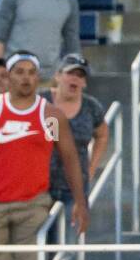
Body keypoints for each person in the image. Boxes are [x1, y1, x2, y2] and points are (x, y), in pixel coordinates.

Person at [0, 51, 88, 260]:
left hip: (32, 203)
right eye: (19, 72)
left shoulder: (50, 117)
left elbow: (69, 157)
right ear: (9, 76)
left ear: (38, 78)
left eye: (31, 73)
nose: (26, 78)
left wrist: (80, 201)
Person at [39, 53, 108, 209]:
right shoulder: (39, 102)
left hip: (74, 187)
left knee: (71, 231)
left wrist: (91, 168)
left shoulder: (91, 107)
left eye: (81, 76)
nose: (75, 79)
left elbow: (102, 135)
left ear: (84, 83)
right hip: (38, 187)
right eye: (70, 73)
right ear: (58, 76)